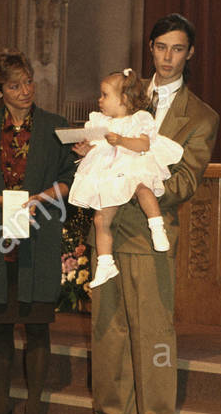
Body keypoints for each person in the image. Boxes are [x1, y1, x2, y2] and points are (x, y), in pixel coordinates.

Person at [65, 14, 219, 414]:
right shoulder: (125, 91)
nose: (168, 57)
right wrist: (93, 155)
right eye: (160, 47)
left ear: (190, 54)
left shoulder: (201, 116)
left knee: (152, 332)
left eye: (177, 49)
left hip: (151, 234)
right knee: (108, 327)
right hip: (109, 232)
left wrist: (138, 186)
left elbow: (187, 179)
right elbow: (107, 145)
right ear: (149, 48)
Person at [0, 49, 77, 414]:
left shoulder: (55, 126)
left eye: (28, 82)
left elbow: (71, 178)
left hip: (40, 235)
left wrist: (41, 198)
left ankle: (33, 408)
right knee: (0, 325)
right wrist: (3, 201)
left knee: (37, 324)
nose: (25, 91)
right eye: (15, 85)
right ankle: (0, 406)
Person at [69, 67, 182, 288]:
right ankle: (105, 263)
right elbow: (96, 149)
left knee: (142, 189)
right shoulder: (99, 122)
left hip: (133, 164)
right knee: (100, 219)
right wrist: (84, 151)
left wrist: (121, 140)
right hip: (112, 175)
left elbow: (144, 144)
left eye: (105, 95)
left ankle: (157, 227)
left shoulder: (139, 119)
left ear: (124, 99)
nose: (99, 100)